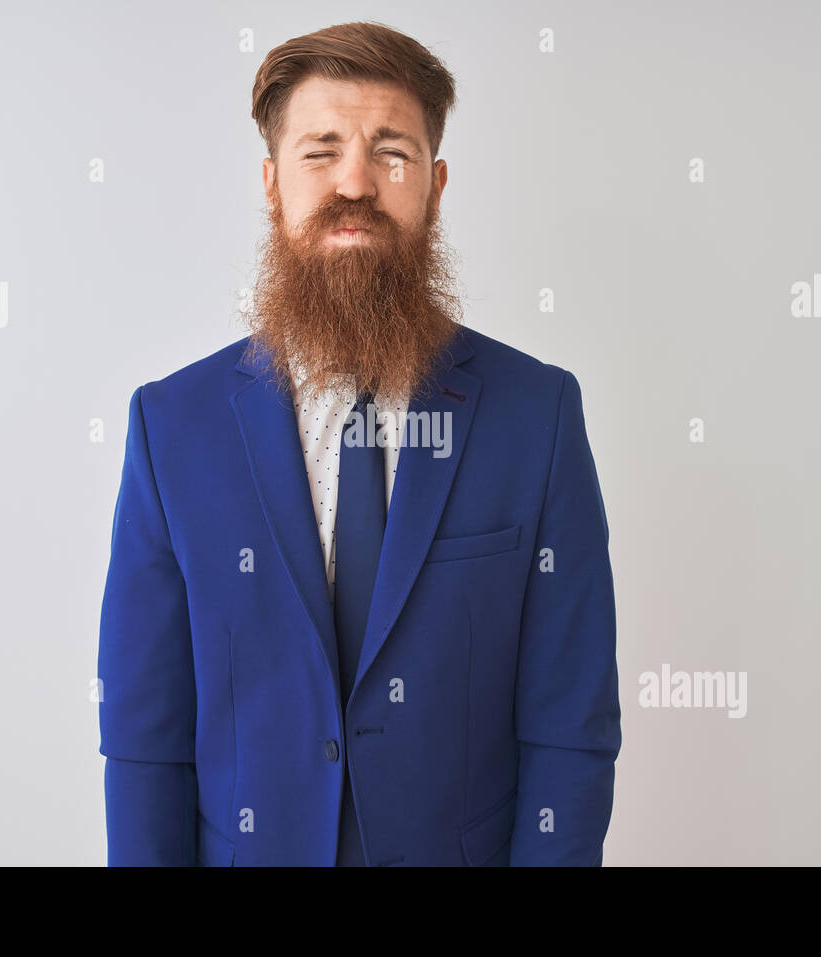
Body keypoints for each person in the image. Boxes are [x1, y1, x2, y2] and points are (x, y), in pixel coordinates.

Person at [97, 20, 621, 866]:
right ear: (271, 183)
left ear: (436, 185)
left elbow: (570, 724)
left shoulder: (539, 415)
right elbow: (145, 738)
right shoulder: (172, 427)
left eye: (392, 152)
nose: (356, 182)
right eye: (321, 150)